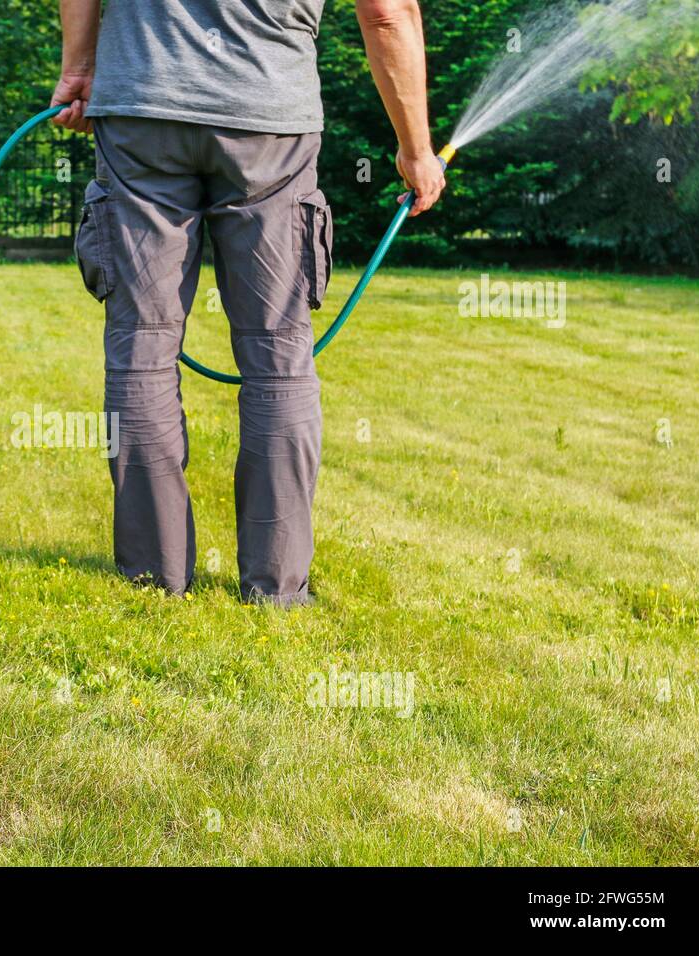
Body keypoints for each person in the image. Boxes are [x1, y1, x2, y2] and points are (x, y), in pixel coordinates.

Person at [52, 0, 445, 606]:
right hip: (268, 118)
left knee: (140, 350)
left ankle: (154, 579)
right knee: (279, 357)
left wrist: (79, 67)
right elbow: (387, 13)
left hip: (141, 107)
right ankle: (277, 587)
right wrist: (416, 149)